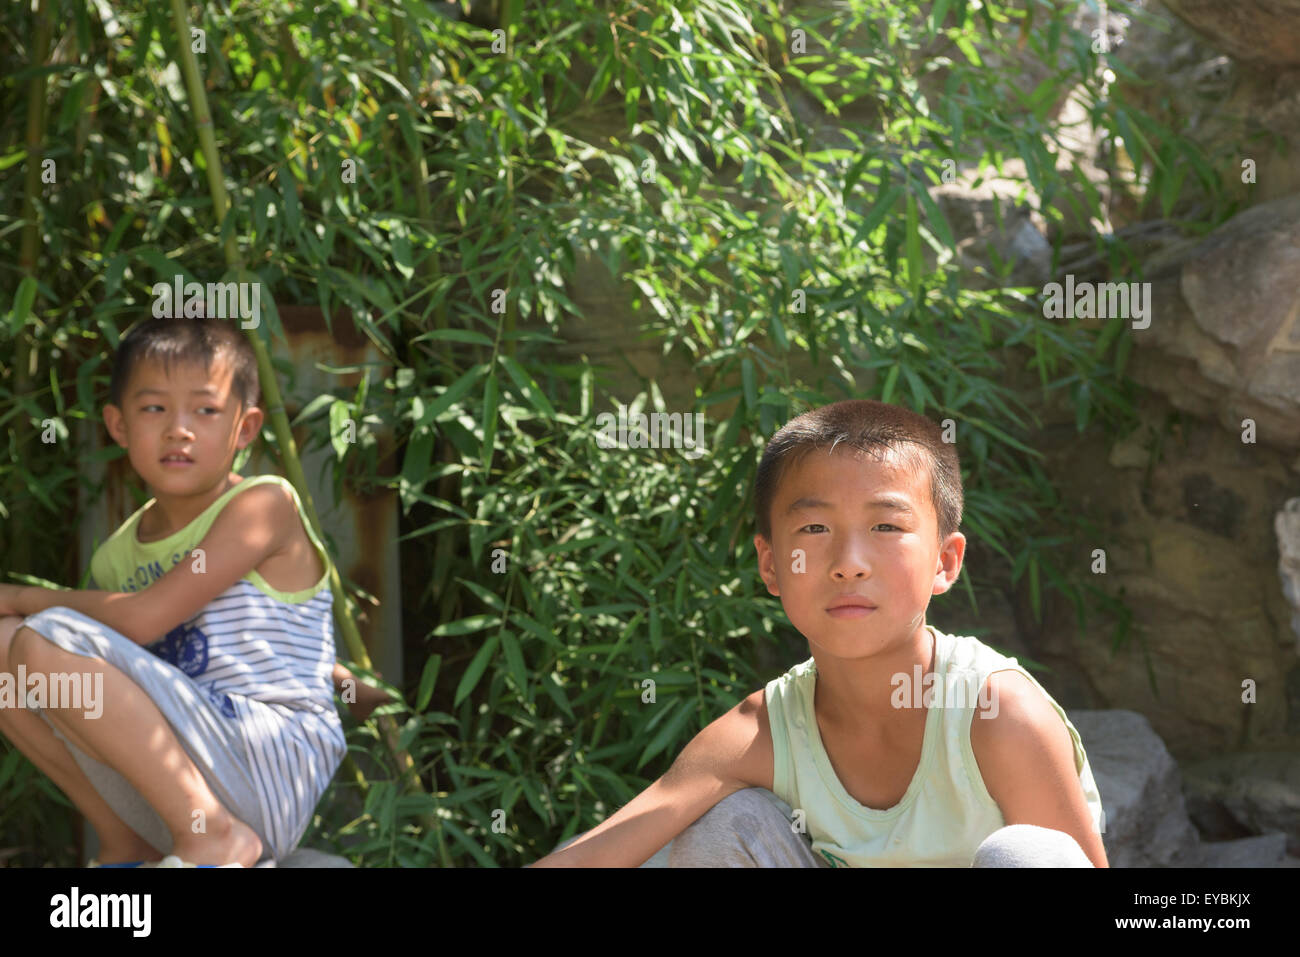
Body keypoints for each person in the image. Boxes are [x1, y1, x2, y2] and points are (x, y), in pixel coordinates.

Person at [531, 399, 1107, 867]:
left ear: (945, 562)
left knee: (1030, 854)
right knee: (729, 824)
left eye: (886, 525)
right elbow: (594, 855)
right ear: (773, 565)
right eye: (814, 527)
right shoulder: (764, 732)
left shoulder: (994, 711)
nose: (849, 562)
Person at [0, 316, 378, 866]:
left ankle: (216, 841)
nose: (179, 429)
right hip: (193, 767)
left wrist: (19, 596)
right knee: (7, 649)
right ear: (118, 424)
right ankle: (127, 839)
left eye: (205, 410)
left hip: (270, 762)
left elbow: (145, 620)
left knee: (42, 639)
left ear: (244, 429)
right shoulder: (117, 556)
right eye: (154, 408)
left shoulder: (264, 505)